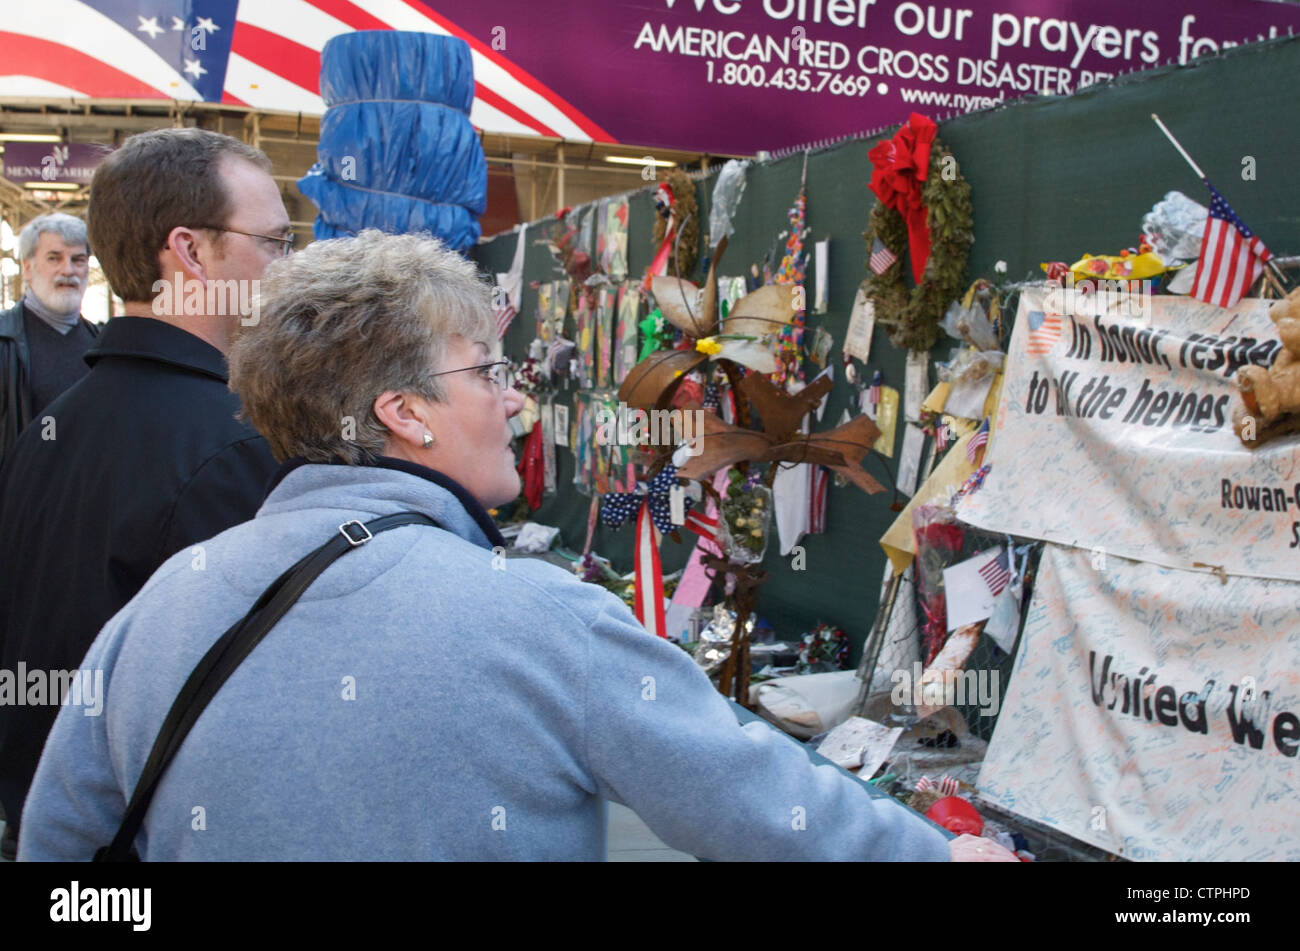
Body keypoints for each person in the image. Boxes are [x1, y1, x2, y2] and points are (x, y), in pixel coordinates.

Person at [20, 230, 1016, 862]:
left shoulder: (165, 605)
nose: (514, 398)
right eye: (487, 371)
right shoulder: (537, 618)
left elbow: (61, 852)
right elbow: (763, 810)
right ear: (404, 412)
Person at [0, 129, 286, 860]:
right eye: (274, 242)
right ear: (191, 252)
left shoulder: (49, 431)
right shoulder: (238, 449)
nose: (286, 266)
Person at [0, 213, 98, 465]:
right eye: (54, 258)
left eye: (78, 260)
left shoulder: (102, 344)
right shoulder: (4, 341)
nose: (68, 270)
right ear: (28, 268)